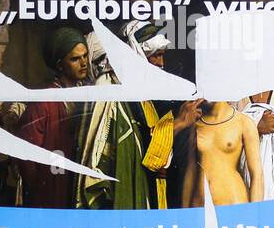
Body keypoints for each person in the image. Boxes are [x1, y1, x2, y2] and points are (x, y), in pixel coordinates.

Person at [75, 20, 201, 210]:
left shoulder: (140, 92)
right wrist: (178, 124)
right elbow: (126, 154)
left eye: (162, 56)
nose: (161, 63)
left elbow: (147, 150)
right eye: (156, 56)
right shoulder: (110, 90)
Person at [17, 26, 88, 208]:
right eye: (74, 59)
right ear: (59, 64)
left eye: (84, 56)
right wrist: (45, 188)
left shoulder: (87, 95)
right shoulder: (44, 102)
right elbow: (27, 156)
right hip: (53, 189)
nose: (83, 63)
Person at [182, 101, 263, 207]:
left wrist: (255, 213)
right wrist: (184, 213)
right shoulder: (195, 124)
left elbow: (257, 175)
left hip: (233, 202)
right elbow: (191, 171)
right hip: (200, 203)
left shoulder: (244, 122)